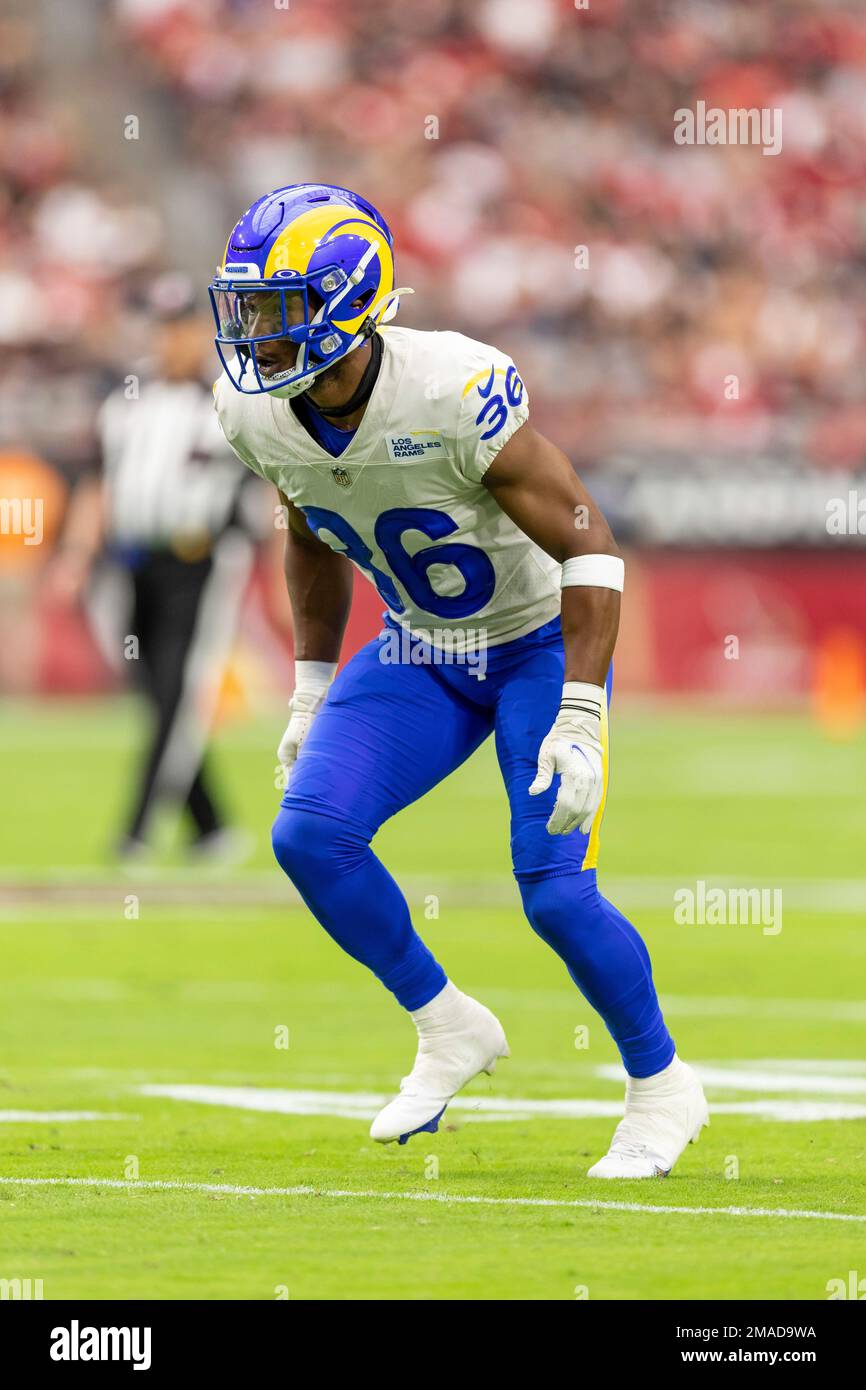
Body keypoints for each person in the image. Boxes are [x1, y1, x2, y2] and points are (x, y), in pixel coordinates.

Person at [211, 183, 709, 1177]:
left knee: (555, 894)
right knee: (310, 835)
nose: (254, 334)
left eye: (277, 308)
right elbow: (307, 529)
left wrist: (580, 709)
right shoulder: (254, 412)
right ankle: (447, 1024)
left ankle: (661, 1084)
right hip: (421, 647)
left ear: (347, 303)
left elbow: (590, 543)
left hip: (534, 643)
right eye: (247, 309)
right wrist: (311, 686)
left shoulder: (448, 387)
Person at [50, 275, 262, 861]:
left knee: (176, 694)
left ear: (202, 331)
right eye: (162, 327)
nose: (170, 339)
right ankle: (212, 829)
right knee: (158, 697)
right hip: (131, 567)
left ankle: (136, 833)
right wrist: (76, 555)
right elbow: (97, 483)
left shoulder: (230, 401)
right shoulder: (125, 403)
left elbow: (269, 486)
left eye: (181, 327)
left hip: (199, 562)